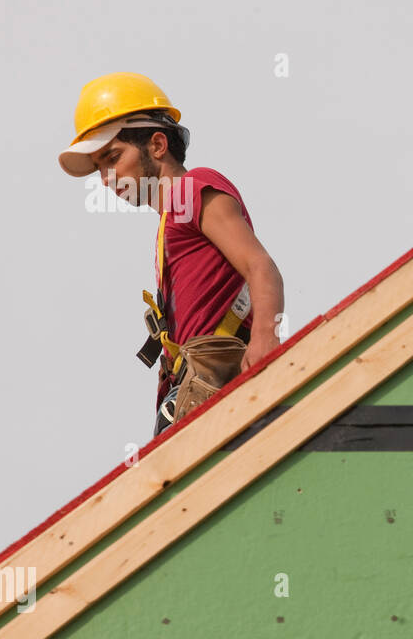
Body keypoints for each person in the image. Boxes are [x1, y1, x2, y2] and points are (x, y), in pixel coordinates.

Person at [58, 73, 285, 436]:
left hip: (219, 388)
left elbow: (261, 266)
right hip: (190, 394)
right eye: (99, 166)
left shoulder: (193, 188)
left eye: (113, 157)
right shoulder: (172, 217)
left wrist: (264, 342)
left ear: (158, 145)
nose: (105, 177)